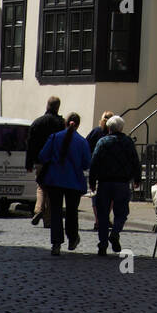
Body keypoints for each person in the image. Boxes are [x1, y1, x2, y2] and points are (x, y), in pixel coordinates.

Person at [38, 113, 91, 256]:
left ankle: (56, 243)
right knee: (72, 212)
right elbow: (87, 163)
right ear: (78, 125)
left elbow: (43, 156)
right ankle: (72, 238)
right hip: (74, 182)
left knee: (55, 212)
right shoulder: (82, 142)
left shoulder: (55, 137)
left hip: (54, 180)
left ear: (65, 123)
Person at [89, 115, 142, 256]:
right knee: (122, 212)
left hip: (105, 183)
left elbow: (94, 162)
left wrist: (92, 181)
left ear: (109, 127)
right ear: (121, 128)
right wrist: (137, 178)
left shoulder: (102, 142)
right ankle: (115, 232)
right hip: (122, 183)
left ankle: (103, 244)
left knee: (103, 214)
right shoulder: (128, 142)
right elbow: (135, 161)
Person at [26, 96, 64, 227]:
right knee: (52, 189)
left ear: (47, 105)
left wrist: (28, 163)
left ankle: (38, 209)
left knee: (41, 186)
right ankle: (48, 220)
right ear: (58, 107)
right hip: (55, 161)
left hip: (39, 160)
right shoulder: (60, 123)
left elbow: (30, 144)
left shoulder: (38, 122)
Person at [86, 111, 114, 232]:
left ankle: (100, 220)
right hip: (106, 169)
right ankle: (102, 219)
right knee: (106, 196)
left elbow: (86, 145)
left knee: (98, 196)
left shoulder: (99, 132)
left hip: (100, 168)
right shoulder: (106, 133)